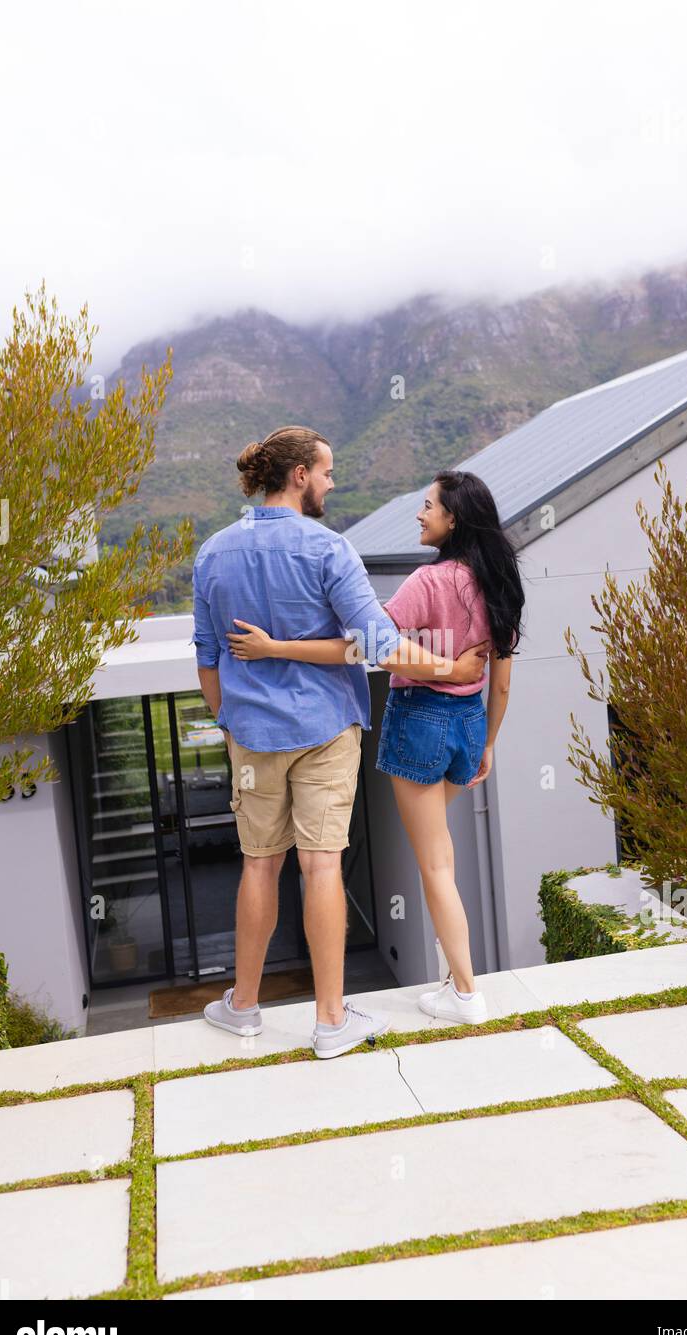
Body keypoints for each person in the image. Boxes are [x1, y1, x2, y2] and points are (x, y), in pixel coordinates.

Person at [191, 425, 489, 1060]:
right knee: (321, 865)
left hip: (252, 736)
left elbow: (208, 660)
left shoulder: (212, 554)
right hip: (326, 732)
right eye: (327, 472)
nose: (332, 482)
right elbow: (379, 646)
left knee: (258, 863)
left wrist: (230, 721)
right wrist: (453, 671)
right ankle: (331, 1022)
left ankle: (243, 1007)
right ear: (298, 474)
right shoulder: (330, 550)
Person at [230, 468, 524, 1026]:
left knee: (436, 866)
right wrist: (488, 743)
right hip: (467, 725)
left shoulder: (428, 583)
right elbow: (502, 682)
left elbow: (360, 648)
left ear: (454, 519)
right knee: (442, 856)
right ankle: (453, 982)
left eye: (429, 506)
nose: (419, 513)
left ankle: (465, 993)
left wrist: (276, 647)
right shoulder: (498, 582)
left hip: (420, 722)